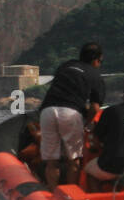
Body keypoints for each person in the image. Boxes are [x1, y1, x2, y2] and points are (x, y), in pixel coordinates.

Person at [40, 42, 106, 188]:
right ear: (96, 60)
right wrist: (87, 124)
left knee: (52, 161)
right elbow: (95, 108)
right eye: (100, 61)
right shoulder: (95, 75)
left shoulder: (65, 66)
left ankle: (52, 193)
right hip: (70, 112)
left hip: (47, 111)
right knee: (73, 160)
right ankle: (70, 194)